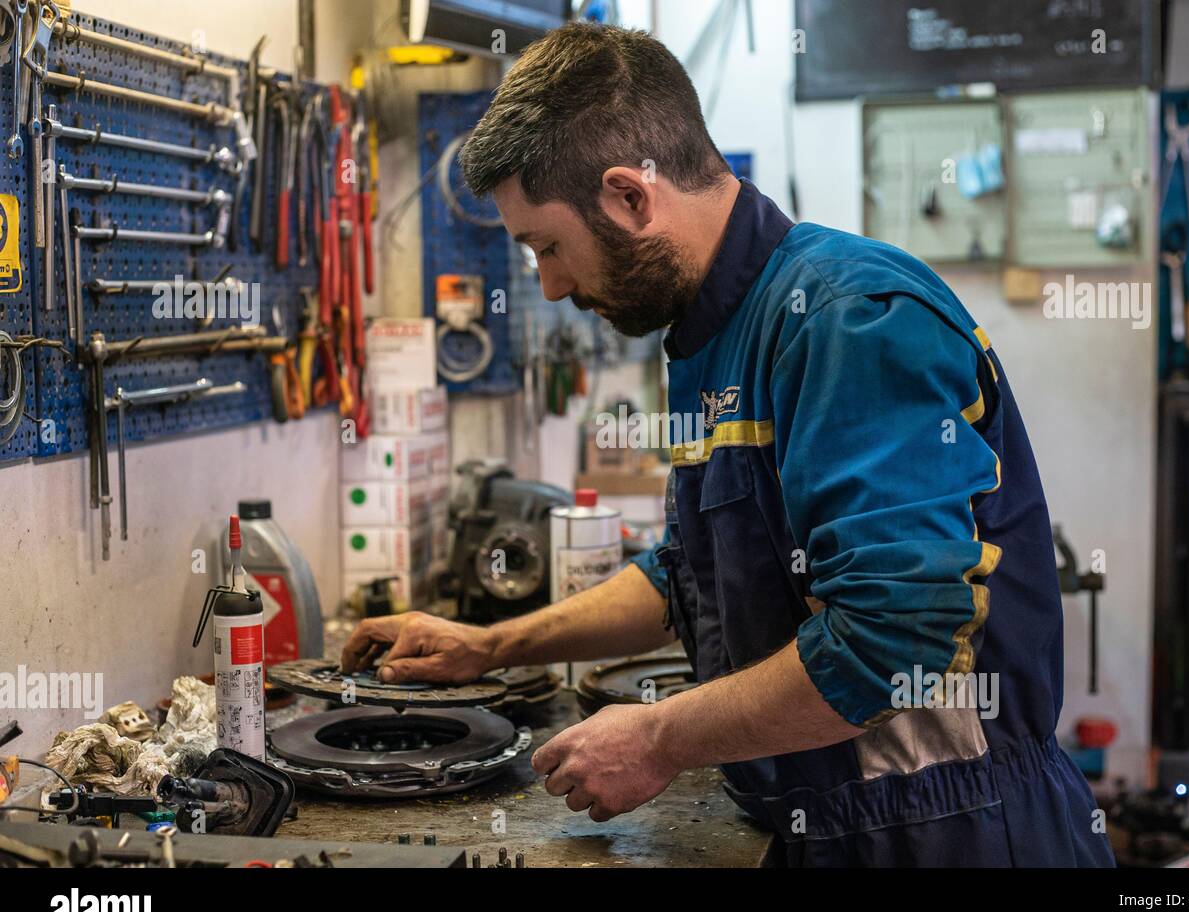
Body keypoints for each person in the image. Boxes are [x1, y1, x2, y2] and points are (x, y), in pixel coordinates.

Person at [344, 21, 1114, 867]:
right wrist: (494, 644)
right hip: (817, 822)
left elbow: (892, 645)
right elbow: (689, 575)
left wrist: (661, 739)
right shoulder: (716, 333)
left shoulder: (845, 322)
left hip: (943, 834)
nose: (552, 286)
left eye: (548, 247)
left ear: (631, 198)